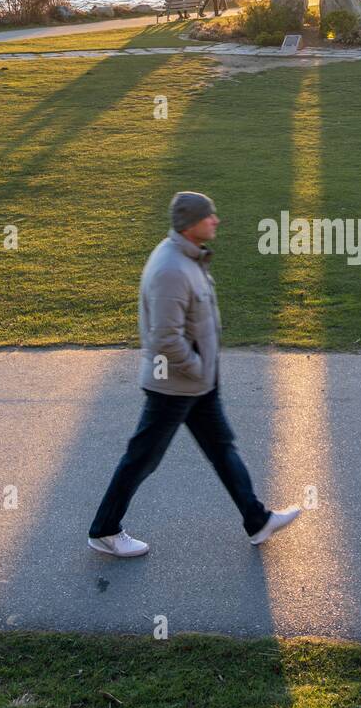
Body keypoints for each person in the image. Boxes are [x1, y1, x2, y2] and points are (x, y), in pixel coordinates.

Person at [88, 191, 303, 556]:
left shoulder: (186, 257)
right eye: (210, 216)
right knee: (143, 457)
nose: (216, 220)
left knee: (221, 447)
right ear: (190, 225)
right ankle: (105, 530)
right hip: (174, 385)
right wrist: (197, 368)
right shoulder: (170, 269)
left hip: (197, 383)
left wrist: (203, 372)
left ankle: (257, 520)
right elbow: (164, 339)